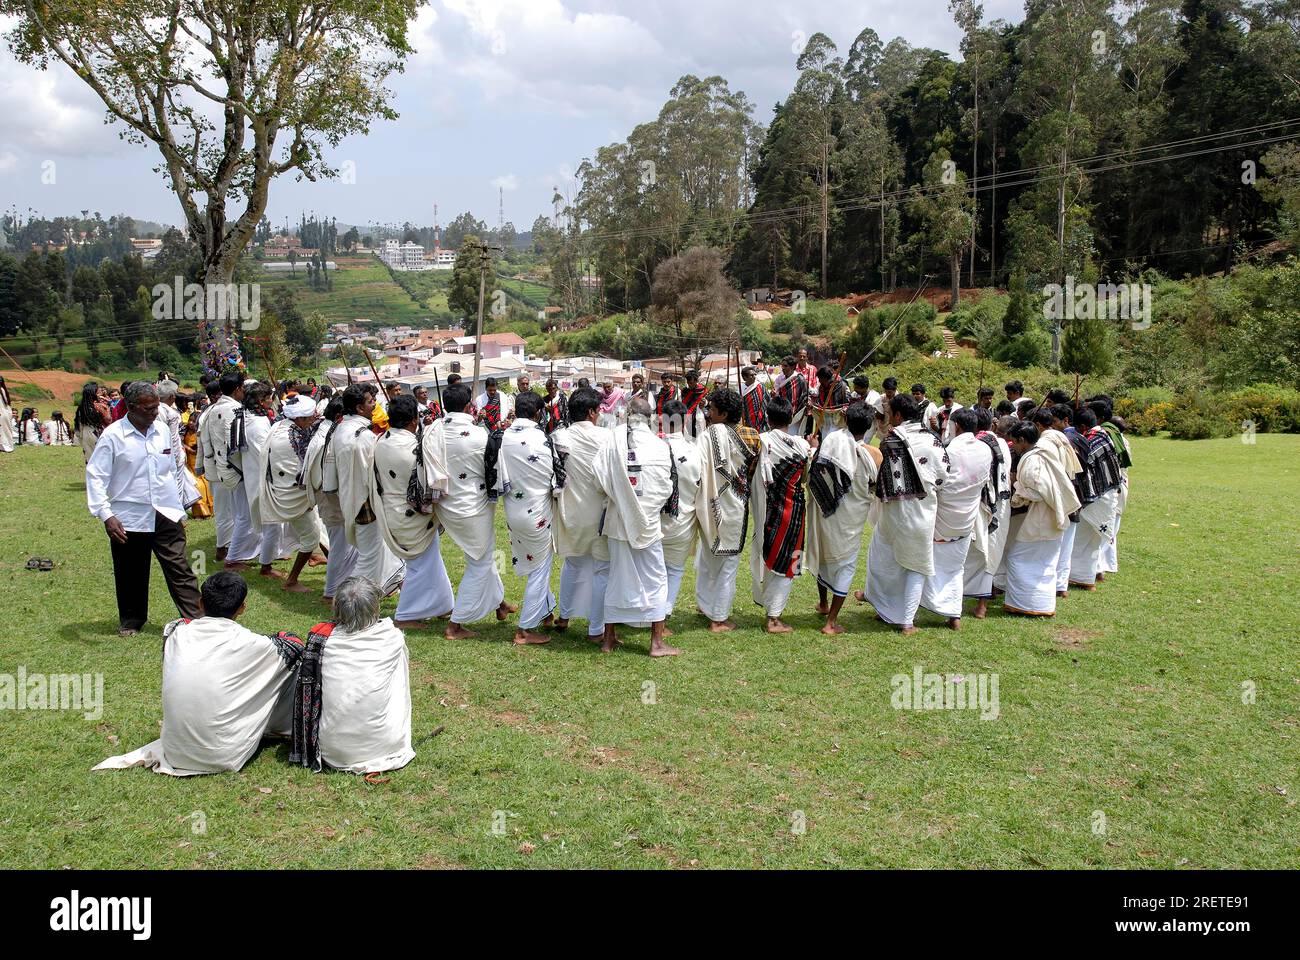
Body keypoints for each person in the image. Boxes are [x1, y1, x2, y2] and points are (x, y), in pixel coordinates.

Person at [94, 572, 304, 776]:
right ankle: (282, 728)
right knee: (288, 668)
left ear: (201, 603)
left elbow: (178, 625)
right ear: (242, 608)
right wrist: (282, 635)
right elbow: (295, 646)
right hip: (226, 755)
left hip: (175, 751)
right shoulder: (257, 645)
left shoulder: (176, 631)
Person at [85, 381, 202, 636]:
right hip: (128, 516)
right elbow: (95, 476)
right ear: (131, 407)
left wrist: (179, 507)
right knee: (131, 572)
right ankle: (131, 620)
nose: (154, 413)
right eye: (148, 409)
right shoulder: (114, 436)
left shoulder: (161, 429)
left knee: (180, 567)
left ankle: (197, 619)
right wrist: (106, 515)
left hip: (165, 512)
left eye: (156, 407)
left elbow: (171, 470)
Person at [290, 577, 416, 774]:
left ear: (337, 608)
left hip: (335, 751)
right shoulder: (392, 636)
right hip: (387, 746)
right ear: (375, 608)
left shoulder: (322, 640)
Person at [424, 383, 516, 639]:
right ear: (469, 407)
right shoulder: (480, 435)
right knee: (481, 561)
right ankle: (456, 624)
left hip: (446, 505)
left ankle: (500, 605)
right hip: (472, 508)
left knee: (482, 555)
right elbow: (494, 472)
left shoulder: (433, 432)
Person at [591, 395, 681, 656]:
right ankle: (656, 643)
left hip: (618, 521)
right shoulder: (660, 445)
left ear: (626, 414)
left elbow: (599, 478)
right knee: (656, 579)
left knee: (616, 577)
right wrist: (644, 509)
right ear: (650, 417)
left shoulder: (611, 439)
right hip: (647, 524)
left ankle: (608, 639)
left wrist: (621, 498)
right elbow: (666, 487)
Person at [862, 394, 948, 634]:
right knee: (915, 566)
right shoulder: (934, 442)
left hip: (893, 513)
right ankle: (902, 617)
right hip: (922, 512)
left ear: (898, 415)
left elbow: (881, 482)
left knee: (883, 560)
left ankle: (894, 612)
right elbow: (943, 476)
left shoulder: (889, 442)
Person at [370, 395, 455, 628]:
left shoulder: (380, 442)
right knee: (420, 566)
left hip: (391, 510)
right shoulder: (415, 449)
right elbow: (429, 483)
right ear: (414, 419)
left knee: (431, 561)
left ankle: (444, 606)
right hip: (412, 514)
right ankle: (405, 615)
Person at [806, 401, 882, 634]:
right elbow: (875, 487)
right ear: (869, 427)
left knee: (824, 556)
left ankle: (823, 603)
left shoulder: (831, 441)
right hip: (851, 518)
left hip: (828, 514)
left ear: (846, 420)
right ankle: (830, 620)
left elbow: (814, 471)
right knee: (844, 566)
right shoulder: (874, 454)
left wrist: (813, 447)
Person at [495, 391, 562, 644]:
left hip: (513, 511)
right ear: (537, 413)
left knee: (537, 563)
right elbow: (556, 481)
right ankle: (524, 629)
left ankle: (545, 612)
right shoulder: (543, 440)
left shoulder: (503, 436)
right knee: (540, 569)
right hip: (538, 513)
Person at [919, 407, 990, 630]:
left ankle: (921, 610)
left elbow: (938, 482)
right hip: (966, 518)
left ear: (956, 426)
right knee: (956, 568)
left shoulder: (949, 450)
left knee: (929, 564)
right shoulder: (985, 450)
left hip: (943, 517)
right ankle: (953, 616)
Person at [550, 387, 611, 643]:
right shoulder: (608, 437)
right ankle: (596, 630)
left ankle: (564, 617)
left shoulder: (558, 437)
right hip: (600, 514)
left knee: (572, 564)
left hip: (570, 512)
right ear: (591, 412)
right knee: (602, 571)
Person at [1002, 422, 1081, 617]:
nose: (1014, 447)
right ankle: (1041, 604)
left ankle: (1026, 604)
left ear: (1022, 440)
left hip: (1042, 517)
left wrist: (1017, 488)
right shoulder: (1043, 454)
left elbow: (1037, 491)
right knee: (1045, 562)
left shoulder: (1033, 459)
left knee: (1017, 559)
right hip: (1051, 515)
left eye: (1015, 442)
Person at [694, 388, 756, 632]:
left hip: (711, 503)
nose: (708, 414)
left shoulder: (709, 435)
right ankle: (718, 618)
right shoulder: (749, 437)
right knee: (726, 563)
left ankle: (706, 605)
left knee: (710, 558)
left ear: (723, 413)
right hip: (735, 505)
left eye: (712, 410)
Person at [335, 383, 406, 597]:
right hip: (365, 502)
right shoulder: (363, 436)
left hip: (351, 497)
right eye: (370, 401)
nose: (374, 404)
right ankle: (349, 602)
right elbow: (377, 471)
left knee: (381, 551)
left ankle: (393, 586)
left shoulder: (341, 429)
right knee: (369, 557)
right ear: (358, 408)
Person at [749, 397, 812, 633]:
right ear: (791, 418)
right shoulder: (803, 446)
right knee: (788, 560)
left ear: (768, 417)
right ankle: (773, 618)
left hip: (770, 508)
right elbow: (805, 477)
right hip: (794, 510)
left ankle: (773, 611)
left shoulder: (762, 441)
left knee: (771, 553)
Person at [256, 394, 325, 593]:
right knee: (311, 537)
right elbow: (305, 470)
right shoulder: (292, 438)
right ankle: (292, 581)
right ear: (300, 419)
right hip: (291, 495)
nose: (314, 419)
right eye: (311, 417)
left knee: (316, 532)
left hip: (282, 488)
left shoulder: (280, 426)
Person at [302, 398, 358, 602]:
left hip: (330, 497)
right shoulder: (328, 435)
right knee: (340, 548)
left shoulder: (326, 431)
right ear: (339, 417)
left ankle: (342, 588)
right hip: (331, 498)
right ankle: (331, 591)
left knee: (345, 546)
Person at [962, 407, 1012, 619]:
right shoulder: (1003, 445)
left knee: (975, 550)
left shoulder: (978, 445)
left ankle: (975, 601)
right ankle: (981, 599)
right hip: (1002, 504)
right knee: (990, 550)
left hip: (983, 504)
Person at [1068, 407, 1123, 590]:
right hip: (1105, 495)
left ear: (1082, 426)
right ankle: (1091, 574)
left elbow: (1084, 468)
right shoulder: (1105, 436)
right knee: (1090, 540)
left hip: (1097, 497)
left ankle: (1086, 577)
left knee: (1083, 539)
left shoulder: (1092, 441)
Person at [241, 381, 290, 579]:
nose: (272, 400)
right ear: (261, 401)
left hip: (256, 476)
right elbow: (267, 452)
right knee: (273, 525)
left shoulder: (248, 418)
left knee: (273, 524)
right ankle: (266, 567)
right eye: (270, 397)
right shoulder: (258, 423)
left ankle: (270, 558)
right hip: (264, 479)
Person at [658, 399, 703, 616]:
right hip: (681, 521)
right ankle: (662, 617)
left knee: (651, 570)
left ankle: (648, 615)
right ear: (685, 420)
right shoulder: (694, 451)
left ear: (661, 420)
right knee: (674, 570)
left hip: (653, 522)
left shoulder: (651, 447)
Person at [73, 381, 112, 463]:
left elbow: (78, 425)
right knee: (102, 460)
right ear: (94, 394)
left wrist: (80, 437)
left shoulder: (81, 407)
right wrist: (108, 407)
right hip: (99, 433)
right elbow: (108, 420)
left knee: (90, 459)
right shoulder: (100, 406)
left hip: (86, 434)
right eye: (99, 392)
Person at [811, 364, 851, 439]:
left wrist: (845, 410)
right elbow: (818, 400)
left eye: (821, 379)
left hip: (839, 421)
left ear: (827, 379)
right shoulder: (821, 387)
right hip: (825, 420)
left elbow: (849, 402)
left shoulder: (842, 386)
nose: (819, 381)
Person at [775, 356, 810, 437]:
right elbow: (778, 394)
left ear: (793, 367)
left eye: (785, 366)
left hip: (796, 416)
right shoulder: (781, 378)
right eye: (782, 366)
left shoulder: (800, 379)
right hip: (782, 414)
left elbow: (805, 396)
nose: (783, 368)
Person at [679, 370, 708, 441]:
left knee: (698, 439)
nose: (689, 385)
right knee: (687, 439)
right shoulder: (685, 391)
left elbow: (708, 404)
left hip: (697, 418)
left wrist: (705, 402)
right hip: (686, 418)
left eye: (691, 383)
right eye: (688, 382)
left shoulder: (703, 391)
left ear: (696, 381)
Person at [739, 365, 769, 433]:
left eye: (755, 374)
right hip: (747, 419)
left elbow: (767, 399)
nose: (754, 377)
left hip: (761, 419)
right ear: (744, 378)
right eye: (751, 375)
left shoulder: (760, 386)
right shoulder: (740, 389)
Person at [0, 376, 13, 453]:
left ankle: (5, 446)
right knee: (6, 430)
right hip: (6, 413)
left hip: (2, 413)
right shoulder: (3, 390)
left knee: (3, 431)